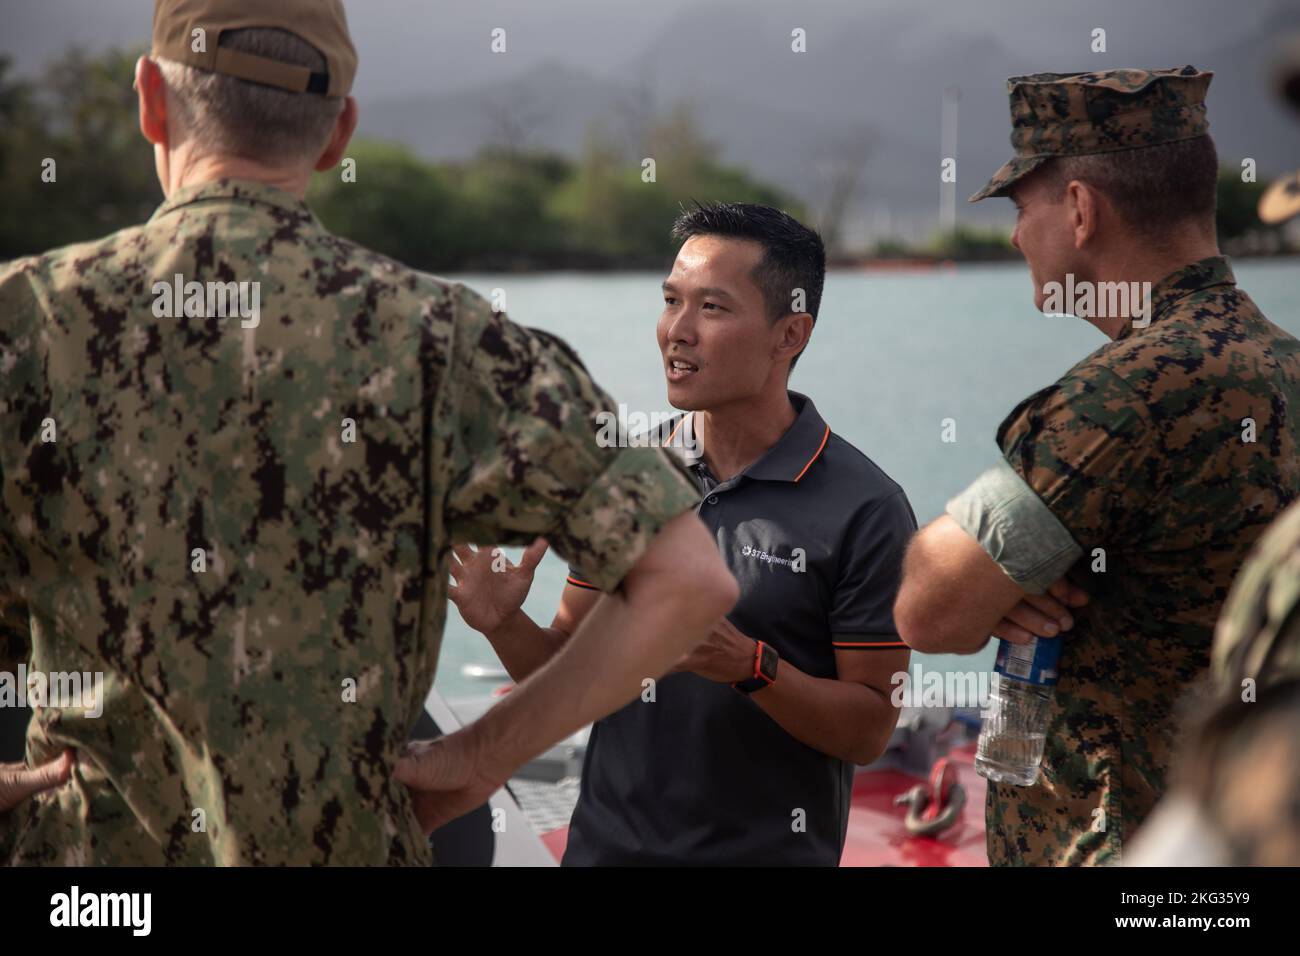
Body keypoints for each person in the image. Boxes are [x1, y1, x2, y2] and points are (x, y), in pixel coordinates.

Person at [0, 0, 736, 864]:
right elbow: (687, 582)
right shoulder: (442, 340)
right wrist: (478, 757)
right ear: (338, 132)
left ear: (150, 101)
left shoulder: (28, 319)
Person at [893, 66, 1300, 866]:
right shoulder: (1286, 362)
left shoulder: (1127, 393)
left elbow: (928, 607)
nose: (1014, 236)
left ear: (1080, 209)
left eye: (1020, 206)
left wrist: (999, 588)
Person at [451, 202, 916, 865]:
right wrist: (502, 621)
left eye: (713, 308)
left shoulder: (867, 507)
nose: (678, 331)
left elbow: (869, 730)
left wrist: (750, 668)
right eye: (672, 301)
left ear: (790, 334)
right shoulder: (624, 479)